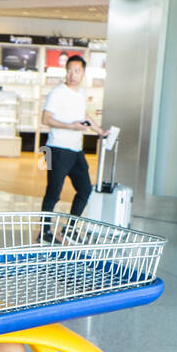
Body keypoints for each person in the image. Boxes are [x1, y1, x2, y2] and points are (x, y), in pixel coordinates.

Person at [39, 55, 109, 241]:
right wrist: (71, 126)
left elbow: (83, 114)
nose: (72, 74)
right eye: (69, 70)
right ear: (66, 71)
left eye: (76, 71)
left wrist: (99, 130)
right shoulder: (58, 92)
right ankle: (44, 233)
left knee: (85, 189)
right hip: (57, 149)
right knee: (54, 192)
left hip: (76, 150)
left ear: (83, 73)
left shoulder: (80, 93)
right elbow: (45, 119)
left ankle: (69, 228)